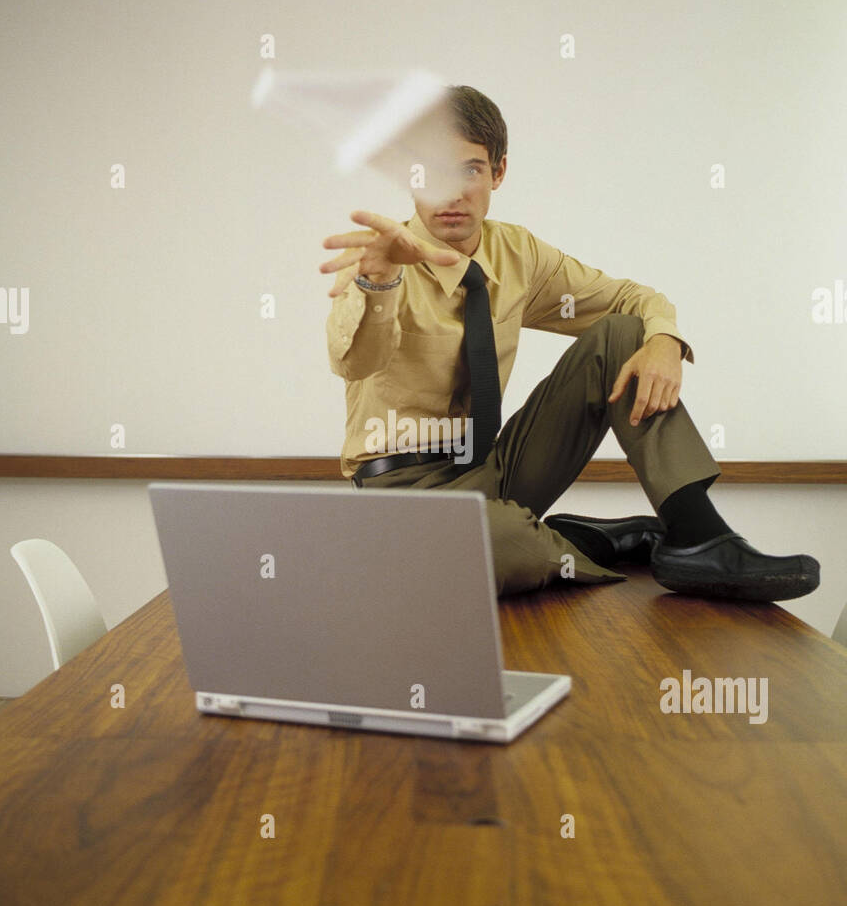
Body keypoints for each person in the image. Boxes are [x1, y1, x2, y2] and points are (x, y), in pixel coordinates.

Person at [320, 84, 819, 603]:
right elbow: (355, 361)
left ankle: (699, 537)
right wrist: (377, 284)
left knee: (626, 335)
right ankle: (600, 539)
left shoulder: (517, 254)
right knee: (503, 541)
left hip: (493, 471)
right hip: (404, 500)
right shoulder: (380, 260)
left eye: (469, 169)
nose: (452, 192)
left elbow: (629, 300)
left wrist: (666, 338)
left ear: (498, 172)